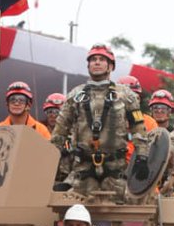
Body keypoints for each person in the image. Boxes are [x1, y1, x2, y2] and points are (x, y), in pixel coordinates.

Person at [51, 44, 147, 197]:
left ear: (110, 66)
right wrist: (51, 160)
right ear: (88, 65)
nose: (97, 62)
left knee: (117, 213)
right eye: (93, 59)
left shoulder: (126, 95)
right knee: (78, 214)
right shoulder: (75, 95)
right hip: (82, 170)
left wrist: (142, 156)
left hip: (116, 171)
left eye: (102, 59)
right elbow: (60, 131)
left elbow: (138, 128)